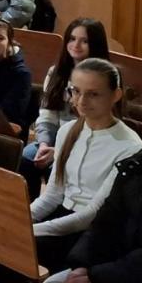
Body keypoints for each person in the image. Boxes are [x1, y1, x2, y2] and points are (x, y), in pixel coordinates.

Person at [27, 58, 142, 275]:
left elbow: (90, 215)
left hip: (91, 233)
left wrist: (29, 231)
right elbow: (52, 195)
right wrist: (21, 219)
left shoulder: (129, 146)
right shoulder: (67, 131)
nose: (81, 101)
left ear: (116, 95)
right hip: (62, 219)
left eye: (93, 94)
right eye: (76, 91)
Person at [38, 143, 142, 283]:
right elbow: (106, 222)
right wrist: (84, 265)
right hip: (124, 272)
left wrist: (99, 279)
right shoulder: (139, 162)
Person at [29, 18, 111, 177]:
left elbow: (96, 127)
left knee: (58, 169)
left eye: (84, 41)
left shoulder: (104, 77)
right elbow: (47, 113)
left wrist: (59, 151)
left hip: (86, 146)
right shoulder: (56, 72)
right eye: (72, 39)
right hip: (54, 140)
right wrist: (44, 144)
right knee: (27, 158)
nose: (76, 45)